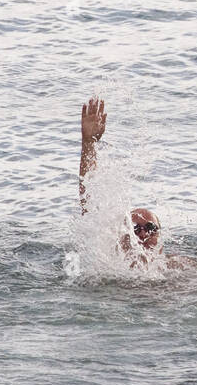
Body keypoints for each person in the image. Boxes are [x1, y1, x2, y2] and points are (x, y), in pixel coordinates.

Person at [79, 97, 186, 268]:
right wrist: (88, 144)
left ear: (159, 237)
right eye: (134, 228)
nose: (143, 233)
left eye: (150, 228)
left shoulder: (175, 266)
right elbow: (90, 204)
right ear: (122, 237)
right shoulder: (109, 266)